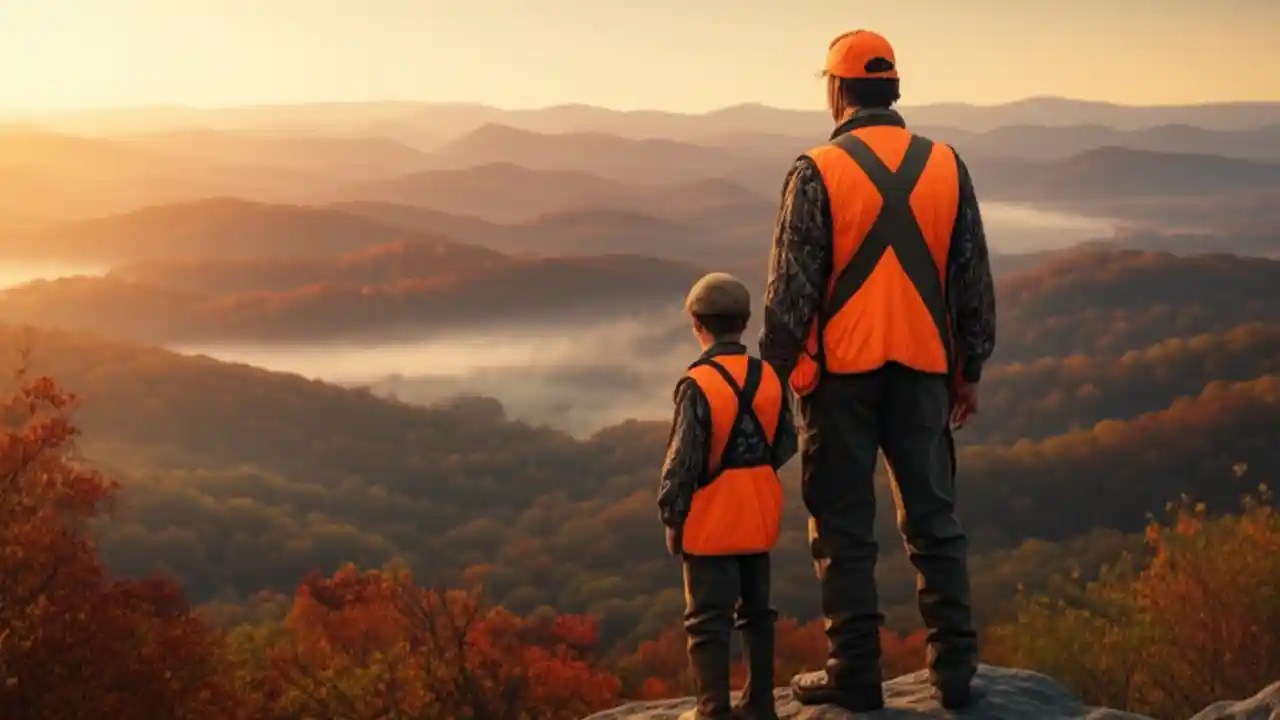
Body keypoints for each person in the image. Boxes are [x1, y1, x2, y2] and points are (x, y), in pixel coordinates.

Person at [759, 30, 997, 712]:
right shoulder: (947, 165)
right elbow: (972, 279)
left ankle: (854, 672)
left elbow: (790, 288)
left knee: (842, 527)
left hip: (839, 377)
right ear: (892, 90)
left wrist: (772, 375)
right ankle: (954, 669)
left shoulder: (815, 170)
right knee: (934, 521)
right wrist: (970, 367)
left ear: (836, 90)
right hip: (924, 370)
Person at [658, 272, 798, 720]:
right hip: (758, 513)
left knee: (707, 620)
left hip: (712, 519)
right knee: (757, 612)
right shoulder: (769, 377)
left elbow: (683, 461)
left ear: (697, 324)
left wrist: (673, 518)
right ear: (744, 321)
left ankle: (712, 710)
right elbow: (786, 443)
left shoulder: (698, 384)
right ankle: (760, 705)